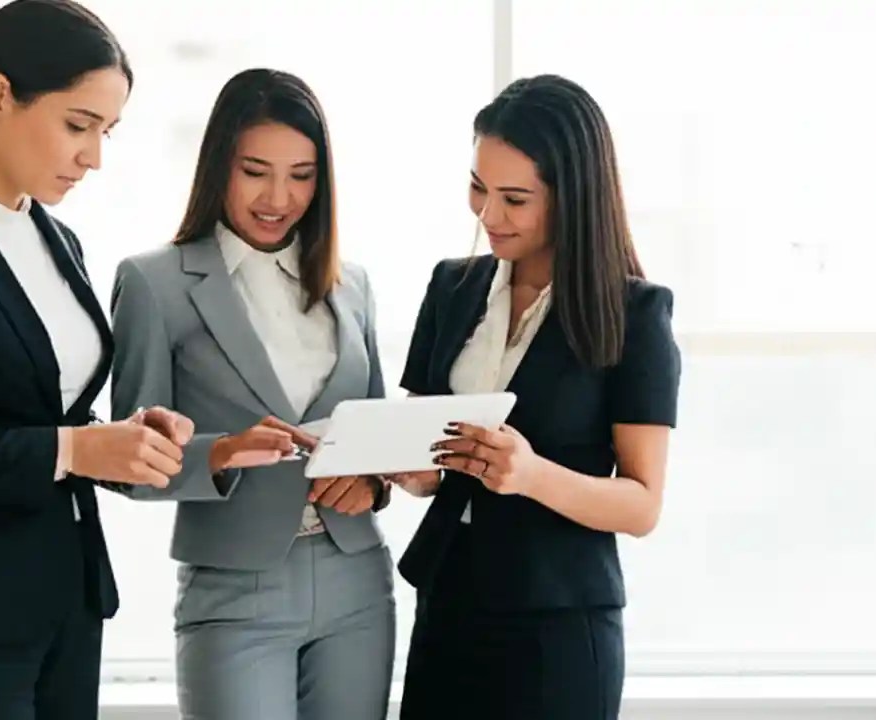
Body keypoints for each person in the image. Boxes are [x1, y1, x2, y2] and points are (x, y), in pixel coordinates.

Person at [0, 2, 195, 718]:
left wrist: (121, 441)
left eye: (106, 132)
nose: (94, 156)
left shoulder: (60, 242)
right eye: (78, 126)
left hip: (64, 605)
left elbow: (39, 407)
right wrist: (70, 449)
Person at [391, 74, 682, 720]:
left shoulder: (634, 315)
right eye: (478, 188)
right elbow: (428, 456)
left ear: (572, 197)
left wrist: (530, 475)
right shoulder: (451, 288)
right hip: (448, 608)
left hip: (558, 628)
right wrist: (414, 472)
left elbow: (642, 505)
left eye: (514, 199)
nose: (488, 215)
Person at [109, 68, 395, 720]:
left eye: (302, 174)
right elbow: (128, 463)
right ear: (220, 167)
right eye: (255, 170)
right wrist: (222, 452)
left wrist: (372, 483)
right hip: (234, 591)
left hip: (357, 581)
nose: (279, 196)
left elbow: (374, 437)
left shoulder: (353, 286)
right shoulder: (156, 284)